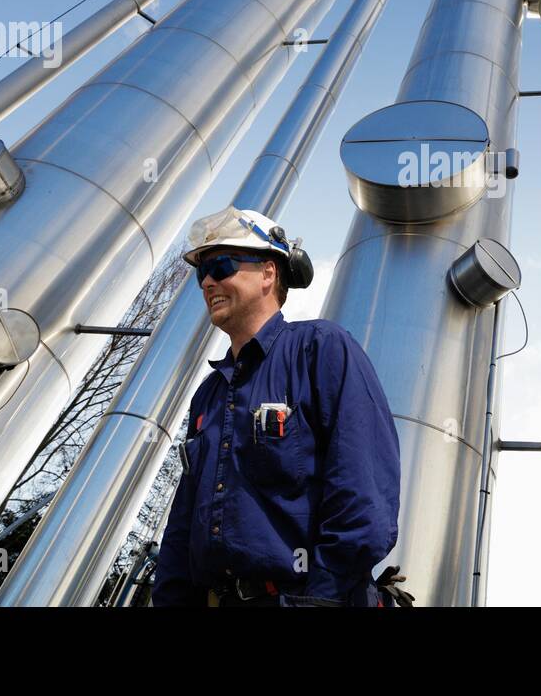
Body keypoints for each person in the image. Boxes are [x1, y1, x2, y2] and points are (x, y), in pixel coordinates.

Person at [153, 206, 402, 607]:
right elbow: (183, 524)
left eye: (221, 266)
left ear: (268, 273)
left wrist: (321, 598)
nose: (207, 282)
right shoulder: (209, 396)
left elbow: (363, 498)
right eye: (201, 273)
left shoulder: (320, 350)